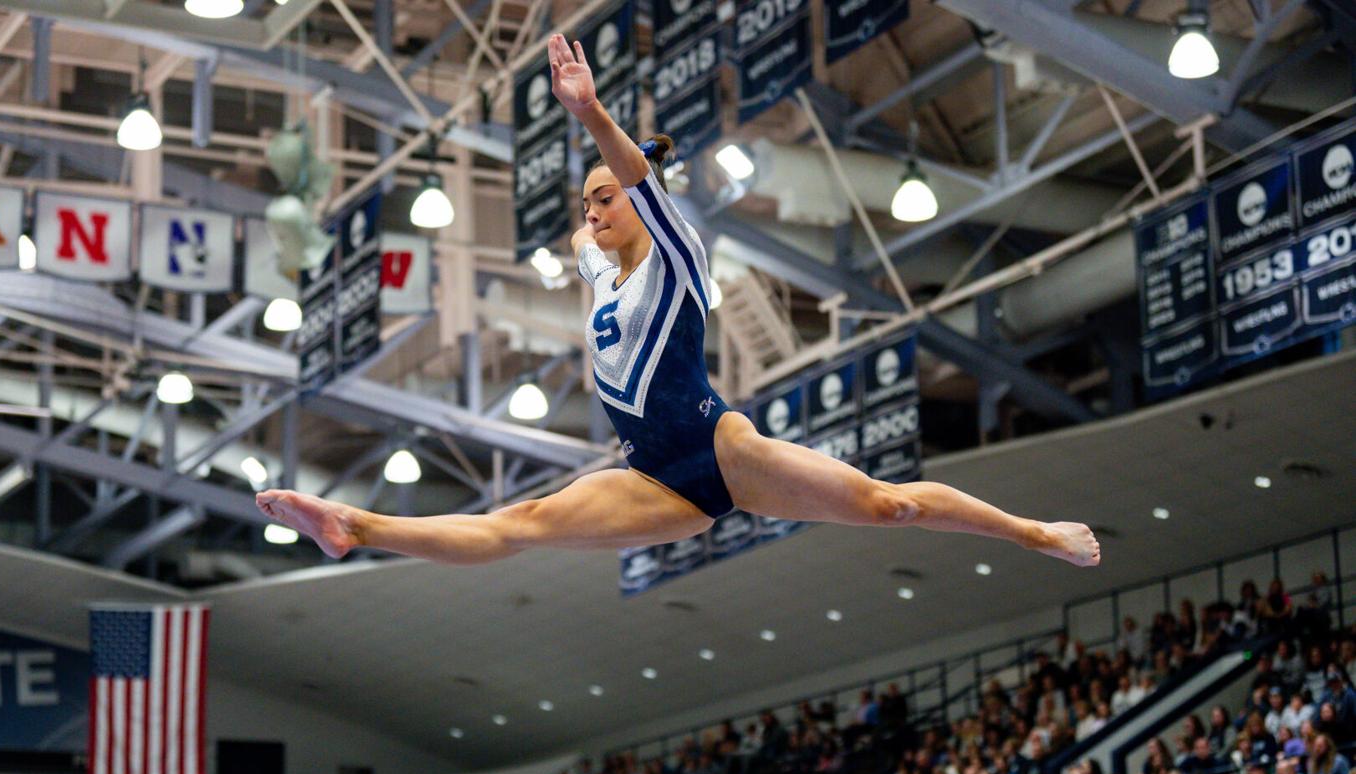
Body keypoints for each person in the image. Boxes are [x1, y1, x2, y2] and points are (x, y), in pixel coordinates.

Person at [252, 35, 1103, 575]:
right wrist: (594, 207)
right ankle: (353, 525)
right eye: (586, 206)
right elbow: (594, 234)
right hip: (654, 476)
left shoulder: (679, 258)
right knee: (520, 524)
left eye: (602, 201)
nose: (591, 215)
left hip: (722, 449)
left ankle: (1030, 533)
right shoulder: (597, 266)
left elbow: (637, 182)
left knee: (890, 506)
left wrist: (591, 117)